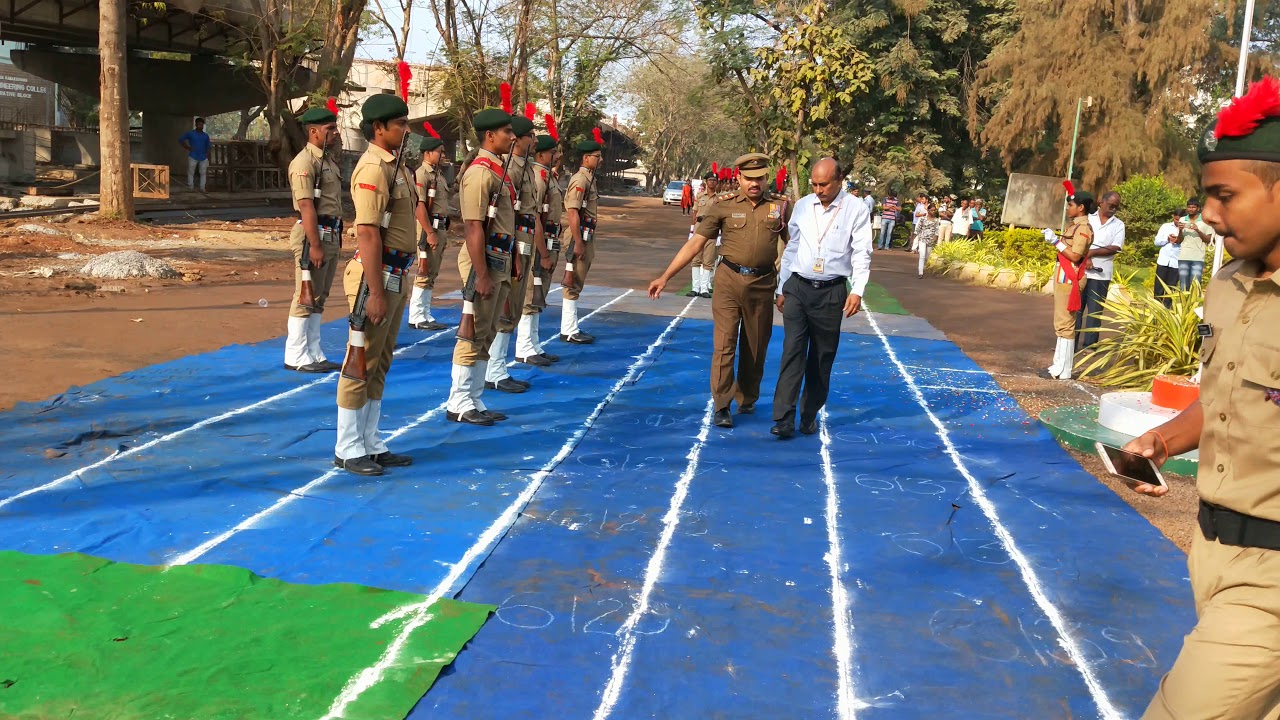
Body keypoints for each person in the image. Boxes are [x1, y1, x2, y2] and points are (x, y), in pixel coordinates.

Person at [1121, 75, 1280, 720]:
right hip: (1211, 552)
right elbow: (1223, 402)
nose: (1208, 216)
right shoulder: (1230, 284)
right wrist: (1160, 441)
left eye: (1225, 196)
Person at [647, 152, 790, 429]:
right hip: (728, 281)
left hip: (762, 285)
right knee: (724, 345)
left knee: (756, 346)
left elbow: (795, 246)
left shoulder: (780, 207)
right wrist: (666, 276)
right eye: (748, 178)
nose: (754, 184)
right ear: (739, 178)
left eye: (759, 178)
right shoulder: (723, 206)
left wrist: (788, 286)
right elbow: (696, 243)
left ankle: (747, 397)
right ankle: (722, 405)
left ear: (766, 178)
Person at [333, 94, 418, 475]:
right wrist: (377, 292)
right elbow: (366, 232)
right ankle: (348, 447)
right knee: (360, 362)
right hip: (376, 275)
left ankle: (370, 441)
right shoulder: (372, 168)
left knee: (380, 363)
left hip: (394, 272)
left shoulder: (396, 166)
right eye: (398, 124)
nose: (406, 129)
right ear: (378, 128)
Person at [770, 158, 871, 438]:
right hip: (798, 288)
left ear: (839, 180)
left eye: (823, 184)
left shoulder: (856, 210)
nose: (818, 189)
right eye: (814, 184)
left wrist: (857, 289)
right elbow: (792, 248)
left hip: (831, 292)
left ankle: (809, 413)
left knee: (821, 357)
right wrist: (782, 287)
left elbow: (862, 252)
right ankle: (783, 418)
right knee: (792, 352)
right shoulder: (803, 206)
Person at [445, 106, 517, 426]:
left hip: (498, 257)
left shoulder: (498, 169)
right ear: (490, 135)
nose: (512, 137)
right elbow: (473, 227)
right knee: (472, 334)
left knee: (485, 334)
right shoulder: (479, 172)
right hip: (482, 260)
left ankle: (473, 397)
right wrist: (483, 274)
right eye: (507, 132)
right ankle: (458, 401)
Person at [283, 103, 343, 374]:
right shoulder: (304, 163)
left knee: (320, 295)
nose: (335, 133)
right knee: (305, 296)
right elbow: (306, 206)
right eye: (330, 129)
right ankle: (296, 354)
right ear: (314, 131)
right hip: (313, 235)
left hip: (330, 232)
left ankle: (314, 350)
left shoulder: (326, 160)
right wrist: (315, 245)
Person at [485, 109, 543, 392]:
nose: (535, 141)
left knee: (515, 306)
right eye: (530, 136)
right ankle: (493, 371)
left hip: (523, 241)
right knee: (504, 309)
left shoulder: (526, 168)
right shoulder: (508, 168)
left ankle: (498, 367)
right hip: (510, 243)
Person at [516, 132, 564, 366]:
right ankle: (524, 347)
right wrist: (543, 252)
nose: (557, 156)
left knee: (538, 295)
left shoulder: (548, 176)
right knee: (529, 295)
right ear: (542, 154)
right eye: (553, 152)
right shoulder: (538, 177)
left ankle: (534, 344)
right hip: (538, 243)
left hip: (548, 239)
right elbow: (534, 217)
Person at [1040, 187, 1095, 381]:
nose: (1067, 209)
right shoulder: (1075, 226)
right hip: (1064, 274)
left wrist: (1056, 242)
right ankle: (1059, 367)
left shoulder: (1083, 229)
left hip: (1070, 276)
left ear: (1081, 207)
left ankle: (1063, 369)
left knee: (1066, 324)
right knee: (1062, 323)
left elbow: (1075, 255)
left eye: (1070, 205)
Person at [560, 131, 603, 344]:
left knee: (578, 281)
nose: (600, 159)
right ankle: (568, 329)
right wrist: (577, 241)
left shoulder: (589, 179)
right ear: (586, 158)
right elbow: (572, 212)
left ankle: (570, 327)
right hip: (579, 236)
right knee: (573, 282)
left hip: (586, 234)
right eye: (597, 156)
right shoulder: (580, 180)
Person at [407, 129, 451, 331]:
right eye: (439, 152)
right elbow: (420, 206)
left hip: (439, 226)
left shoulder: (439, 175)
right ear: (427, 153)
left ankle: (425, 312)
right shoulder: (422, 174)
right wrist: (430, 232)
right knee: (424, 270)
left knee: (432, 272)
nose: (442, 155)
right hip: (428, 227)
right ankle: (416, 315)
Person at [1077, 191, 1126, 350]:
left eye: (1116, 207)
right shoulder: (1087, 219)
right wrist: (1086, 256)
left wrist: (1092, 252)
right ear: (1101, 202)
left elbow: (1116, 247)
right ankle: (1071, 342)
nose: (1113, 209)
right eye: (1111, 205)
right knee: (1076, 308)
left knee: (1095, 311)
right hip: (1081, 271)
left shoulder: (1118, 224)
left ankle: (1090, 346)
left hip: (1102, 274)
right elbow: (1078, 241)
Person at [687, 171, 720, 298]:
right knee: (696, 259)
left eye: (714, 180)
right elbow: (694, 213)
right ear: (706, 182)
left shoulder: (719, 199)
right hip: (698, 229)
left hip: (712, 229)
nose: (712, 182)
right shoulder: (700, 196)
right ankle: (695, 287)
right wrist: (691, 230)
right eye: (710, 180)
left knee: (708, 260)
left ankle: (704, 288)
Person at [1176, 197, 1214, 290]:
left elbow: (1209, 240)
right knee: (1183, 285)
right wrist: (1180, 231)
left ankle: (1194, 304)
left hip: (1198, 257)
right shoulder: (1182, 219)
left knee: (1195, 285)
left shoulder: (1205, 221)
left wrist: (1198, 230)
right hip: (1184, 256)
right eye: (1189, 207)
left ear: (1198, 208)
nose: (1190, 209)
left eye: (1193, 207)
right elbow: (1179, 240)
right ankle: (1183, 304)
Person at [1153, 210, 1182, 306]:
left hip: (1176, 263)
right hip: (1163, 261)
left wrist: (1178, 241)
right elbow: (1156, 242)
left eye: (1180, 220)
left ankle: (1167, 312)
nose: (1178, 222)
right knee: (1158, 287)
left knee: (1171, 289)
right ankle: (1156, 309)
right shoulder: (1166, 227)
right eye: (1176, 219)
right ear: (1173, 217)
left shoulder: (1186, 230)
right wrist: (1167, 239)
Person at [179, 117, 212, 192]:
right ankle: (190, 187)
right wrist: (187, 147)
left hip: (203, 156)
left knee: (203, 173)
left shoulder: (205, 135)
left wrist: (208, 156)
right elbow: (181, 139)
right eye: (199, 124)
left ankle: (202, 188)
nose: (201, 126)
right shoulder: (191, 133)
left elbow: (208, 146)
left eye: (202, 124)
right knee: (191, 172)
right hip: (193, 155)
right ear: (196, 125)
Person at [915, 205, 941, 279]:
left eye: (934, 210)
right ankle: (920, 272)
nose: (933, 212)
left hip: (930, 240)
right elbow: (918, 229)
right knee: (922, 255)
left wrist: (935, 238)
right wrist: (916, 237)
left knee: (927, 256)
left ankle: (924, 266)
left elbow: (937, 230)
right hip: (922, 238)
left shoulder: (936, 220)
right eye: (932, 210)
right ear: (928, 210)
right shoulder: (922, 219)